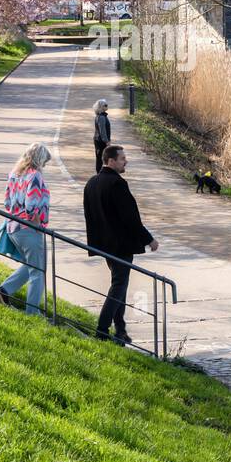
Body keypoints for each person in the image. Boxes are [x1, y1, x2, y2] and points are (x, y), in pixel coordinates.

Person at [82, 144, 158, 345]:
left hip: (105, 245)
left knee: (120, 285)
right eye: (123, 158)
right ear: (111, 161)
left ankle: (120, 330)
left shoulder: (92, 183)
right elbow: (131, 218)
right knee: (119, 285)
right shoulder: (116, 184)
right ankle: (102, 329)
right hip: (120, 245)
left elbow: (91, 217)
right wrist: (148, 239)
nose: (126, 161)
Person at [0, 143, 52, 315]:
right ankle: (32, 312)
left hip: (13, 227)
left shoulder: (15, 174)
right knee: (38, 272)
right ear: (39, 160)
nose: (44, 166)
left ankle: (3, 291)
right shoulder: (35, 176)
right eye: (44, 162)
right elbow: (31, 205)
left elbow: (7, 202)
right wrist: (37, 219)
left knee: (32, 266)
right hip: (29, 228)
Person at [92, 98, 111, 173]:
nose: (107, 106)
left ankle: (100, 173)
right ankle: (99, 174)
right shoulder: (102, 117)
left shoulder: (101, 116)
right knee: (100, 158)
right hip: (100, 141)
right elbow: (102, 131)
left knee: (101, 158)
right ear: (101, 107)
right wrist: (107, 141)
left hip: (99, 140)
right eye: (105, 105)